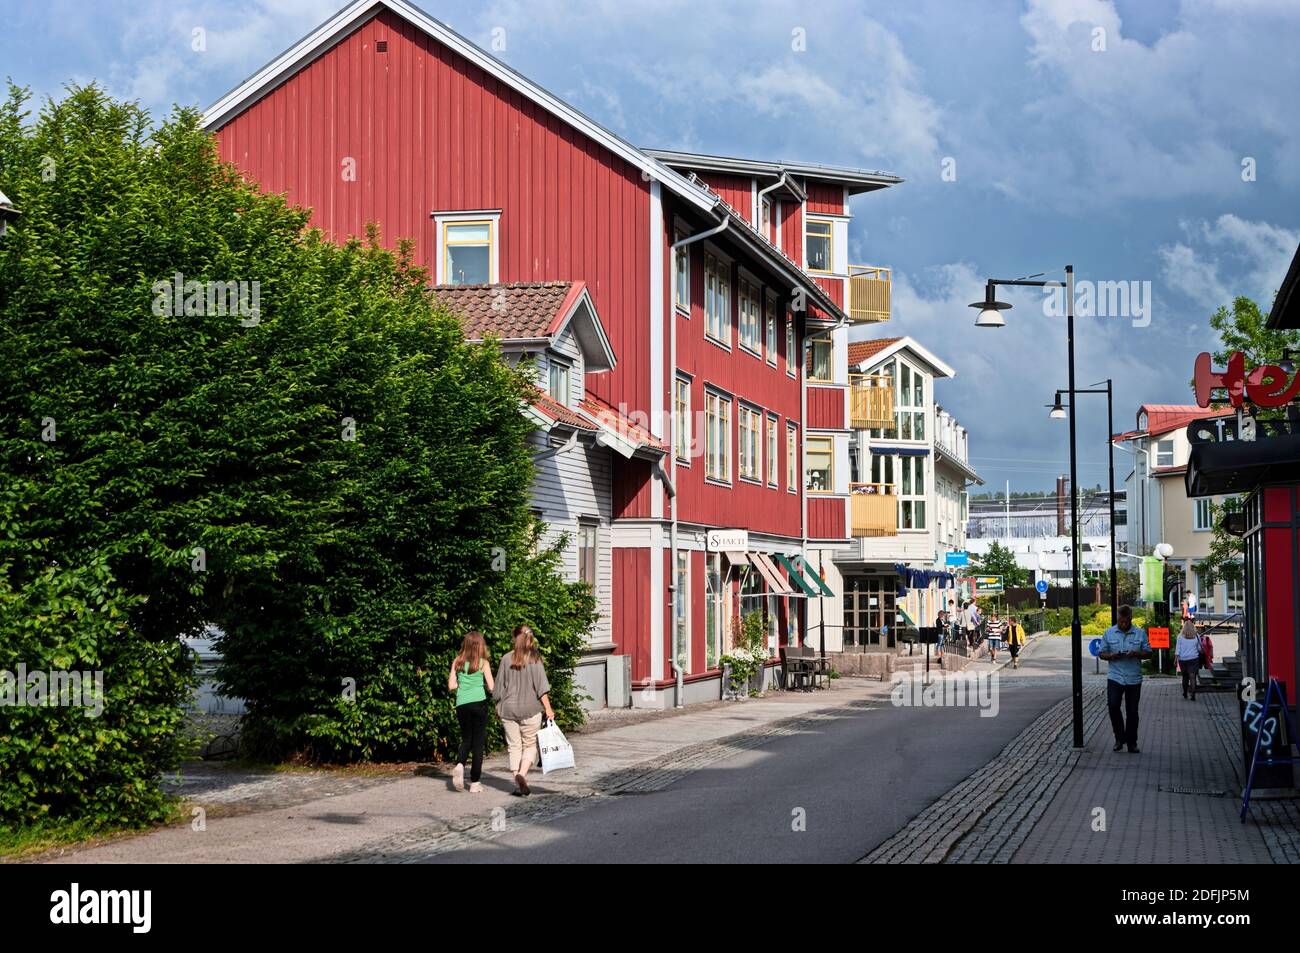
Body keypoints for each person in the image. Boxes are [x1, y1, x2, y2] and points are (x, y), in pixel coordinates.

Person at [494, 624, 555, 796]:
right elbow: (541, 688)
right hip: (531, 709)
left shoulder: (506, 659)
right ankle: (522, 774)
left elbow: (499, 688)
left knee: (514, 746)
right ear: (530, 639)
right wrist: (549, 709)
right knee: (530, 745)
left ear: (514, 639)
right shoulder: (535, 660)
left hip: (508, 708)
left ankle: (516, 781)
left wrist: (497, 707)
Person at [1097, 605, 1152, 753]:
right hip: (1115, 677)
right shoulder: (1109, 633)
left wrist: (1136, 654)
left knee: (1132, 711)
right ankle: (1119, 738)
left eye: (1126, 622)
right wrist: (1110, 656)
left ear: (1130, 619)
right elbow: (1101, 653)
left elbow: (1149, 653)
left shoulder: (1140, 633)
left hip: (1134, 678)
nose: (1123, 624)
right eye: (1121, 622)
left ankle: (1132, 742)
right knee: (1113, 706)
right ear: (1117, 619)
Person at [448, 630, 494, 793]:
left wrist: (462, 686)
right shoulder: (483, 663)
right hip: (479, 703)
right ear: (480, 645)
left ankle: (460, 764)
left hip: (462, 704)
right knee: (478, 743)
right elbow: (491, 687)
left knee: (466, 738)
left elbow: (451, 686)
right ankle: (475, 783)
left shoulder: (457, 662)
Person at [1175, 621, 1202, 701]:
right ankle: (1193, 694)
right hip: (1194, 658)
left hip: (1183, 659)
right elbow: (1200, 648)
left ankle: (1185, 692)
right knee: (1193, 676)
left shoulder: (1180, 636)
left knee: (1185, 677)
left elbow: (1177, 650)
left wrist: (1175, 659)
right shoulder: (1196, 636)